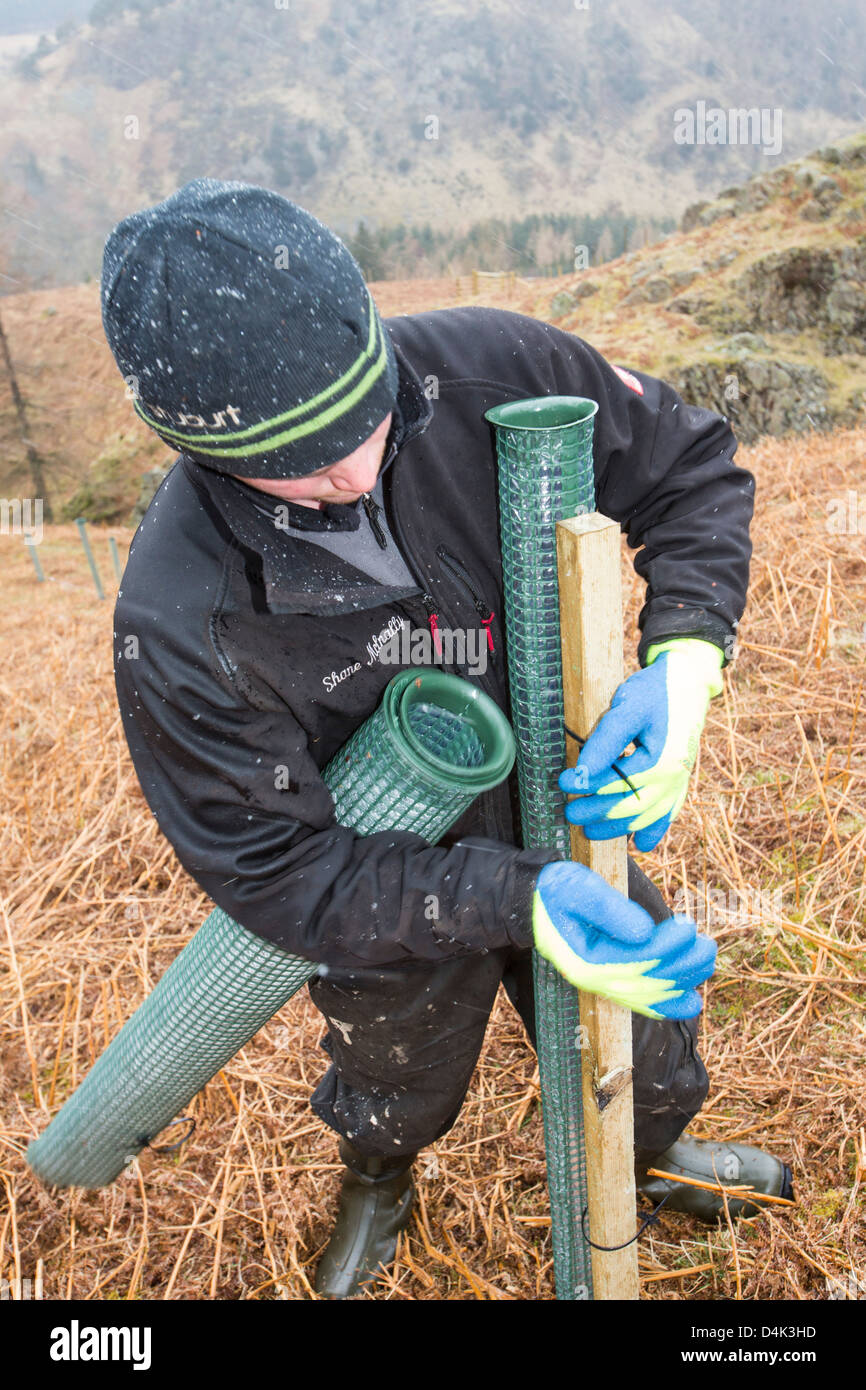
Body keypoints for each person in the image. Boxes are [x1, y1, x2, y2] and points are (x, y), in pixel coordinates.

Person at [102, 180, 792, 1300]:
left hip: (566, 788)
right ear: (201, 450)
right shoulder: (181, 615)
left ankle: (651, 1151)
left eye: (364, 421)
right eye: (304, 462)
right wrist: (506, 899)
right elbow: (277, 872)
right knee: (395, 1054)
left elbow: (689, 470)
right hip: (386, 865)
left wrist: (682, 667)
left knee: (639, 1025)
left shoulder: (489, 368)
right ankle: (379, 1169)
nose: (355, 471)